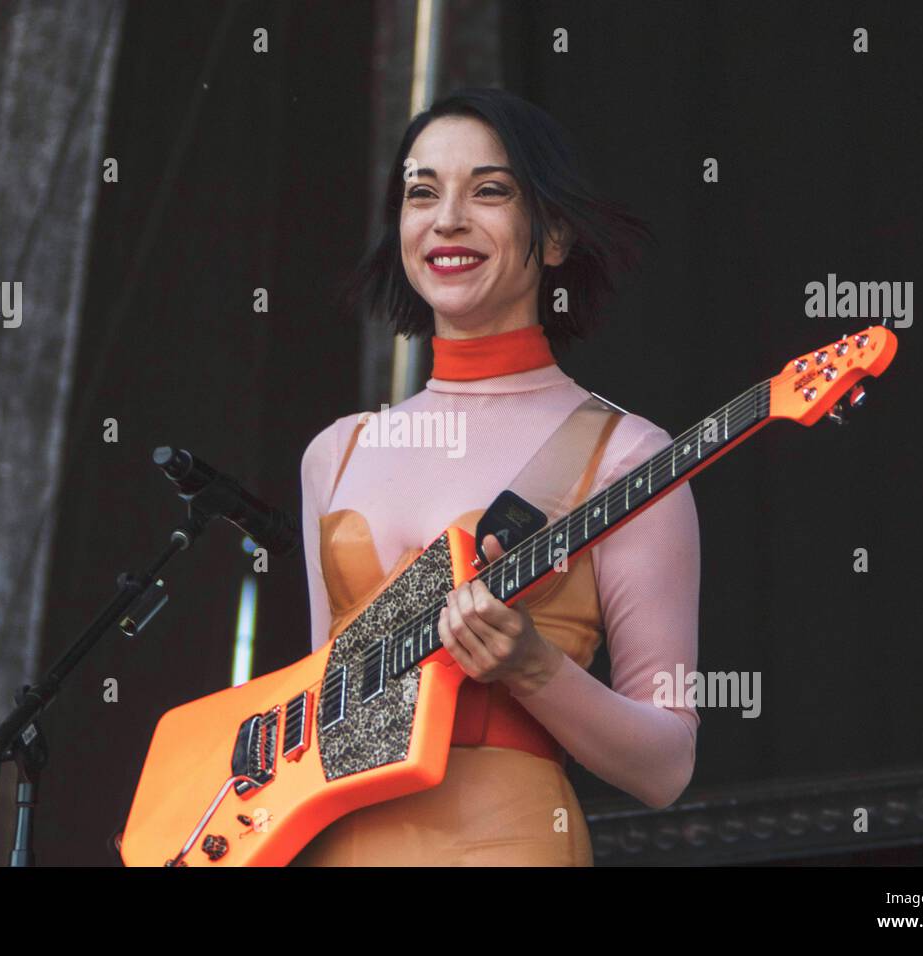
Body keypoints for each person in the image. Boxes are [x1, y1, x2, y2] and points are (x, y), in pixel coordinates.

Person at [291, 88, 700, 866]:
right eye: (421, 194)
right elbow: (319, 719)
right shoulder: (334, 453)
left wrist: (534, 668)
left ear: (552, 237)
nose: (447, 219)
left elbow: (667, 765)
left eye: (488, 190)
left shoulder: (629, 455)